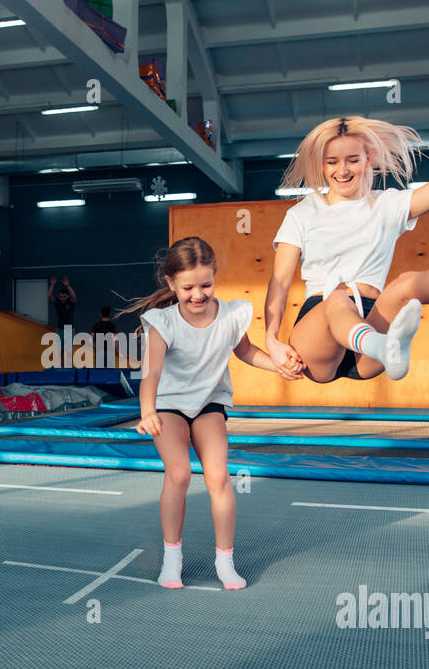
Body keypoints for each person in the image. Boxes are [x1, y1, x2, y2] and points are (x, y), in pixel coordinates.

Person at [264, 67, 429, 384]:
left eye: (352, 159)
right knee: (336, 298)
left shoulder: (386, 205)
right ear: (321, 164)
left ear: (369, 157)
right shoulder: (304, 212)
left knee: (404, 285)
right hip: (318, 333)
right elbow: (279, 282)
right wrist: (271, 339)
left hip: (371, 320)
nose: (342, 170)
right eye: (332, 162)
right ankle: (386, 346)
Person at [119, 237, 302, 591]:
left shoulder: (232, 315)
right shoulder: (163, 323)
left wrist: (277, 365)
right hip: (168, 405)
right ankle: (172, 558)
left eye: (206, 285)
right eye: (188, 287)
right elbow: (151, 374)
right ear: (171, 284)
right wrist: (146, 412)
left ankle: (225, 561)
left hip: (209, 404)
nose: (198, 294)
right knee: (179, 473)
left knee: (218, 476)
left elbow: (247, 352)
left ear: (215, 277)